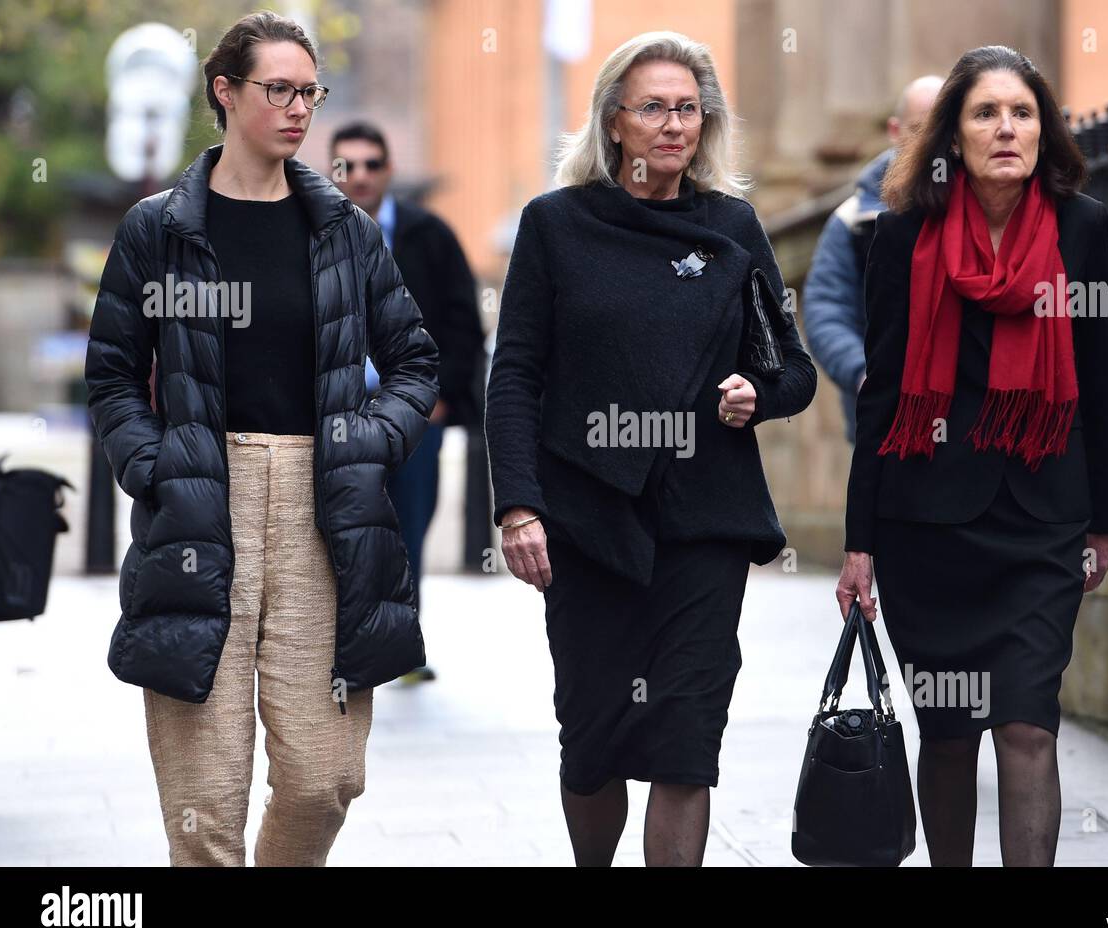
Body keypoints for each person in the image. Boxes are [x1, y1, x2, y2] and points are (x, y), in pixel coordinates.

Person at [84, 11, 439, 866]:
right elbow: (112, 375)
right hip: (201, 506)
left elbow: (415, 362)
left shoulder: (344, 231)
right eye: (277, 89)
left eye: (307, 91)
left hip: (327, 510)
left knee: (325, 780)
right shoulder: (159, 231)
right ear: (225, 91)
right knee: (205, 813)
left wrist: (366, 439)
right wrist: (154, 465)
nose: (298, 109)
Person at [485, 30, 816, 867]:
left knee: (685, 736)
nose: (674, 125)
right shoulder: (556, 224)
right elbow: (515, 373)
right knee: (593, 740)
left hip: (705, 519)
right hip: (588, 519)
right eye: (654, 108)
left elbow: (793, 369)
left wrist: (757, 392)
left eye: (689, 108)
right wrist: (518, 504)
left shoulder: (732, 226)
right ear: (615, 123)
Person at [835, 45, 1108, 866]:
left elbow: (1100, 379)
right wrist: (859, 545)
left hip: (1043, 518)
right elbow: (881, 394)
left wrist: (1105, 521)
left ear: (1045, 130)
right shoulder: (902, 234)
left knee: (1029, 723)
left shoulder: (1083, 227)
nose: (1006, 128)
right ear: (951, 135)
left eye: (1023, 112)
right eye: (985, 113)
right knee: (952, 730)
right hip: (927, 523)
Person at [330, 121, 485, 682]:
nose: (361, 175)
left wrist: (438, 399)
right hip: (337, 413)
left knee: (409, 523)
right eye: (348, 165)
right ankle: (347, 644)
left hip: (414, 410)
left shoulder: (429, 235)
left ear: (389, 170)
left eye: (372, 164)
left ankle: (400, 647)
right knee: (340, 525)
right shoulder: (312, 232)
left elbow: (464, 323)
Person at [803, 75, 942, 443]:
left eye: (942, 127)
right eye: (919, 128)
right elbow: (826, 311)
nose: (931, 142)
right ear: (894, 130)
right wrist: (864, 374)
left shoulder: (985, 212)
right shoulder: (853, 221)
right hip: (884, 424)